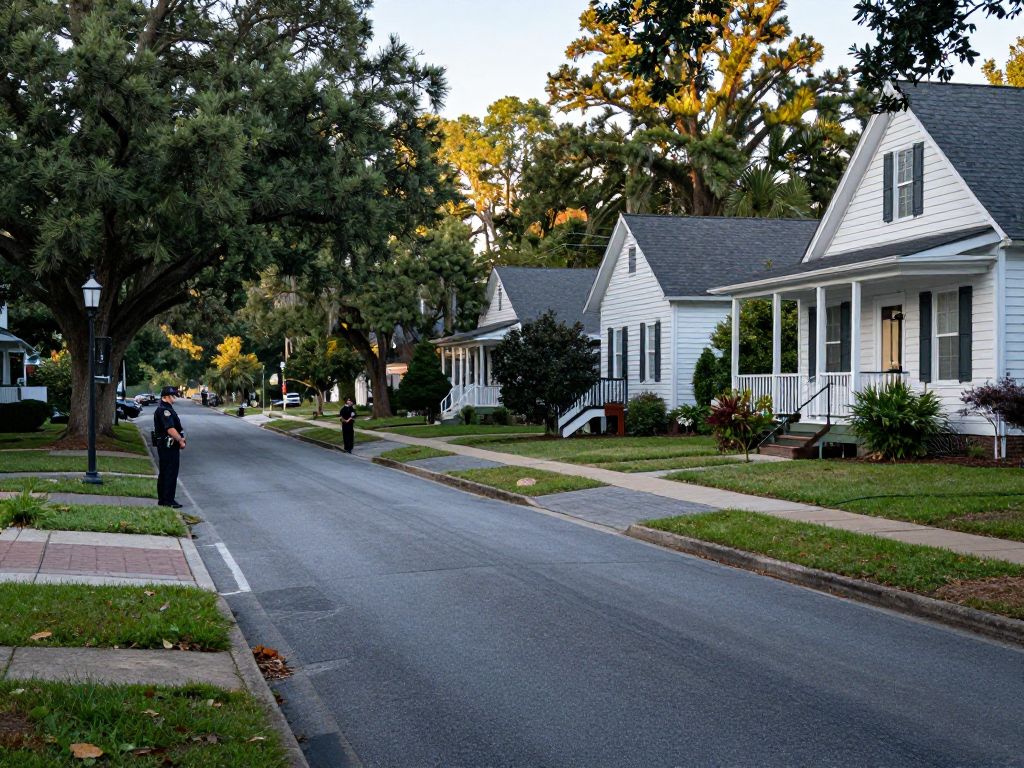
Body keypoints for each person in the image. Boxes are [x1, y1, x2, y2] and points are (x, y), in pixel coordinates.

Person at [154, 386, 186, 508]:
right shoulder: (164, 410)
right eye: (172, 395)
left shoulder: (167, 409)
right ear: (165, 397)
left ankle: (164, 499)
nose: (174, 397)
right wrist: (180, 440)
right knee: (169, 472)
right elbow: (170, 429)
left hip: (168, 446)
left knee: (166, 472)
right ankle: (168, 500)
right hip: (168, 446)